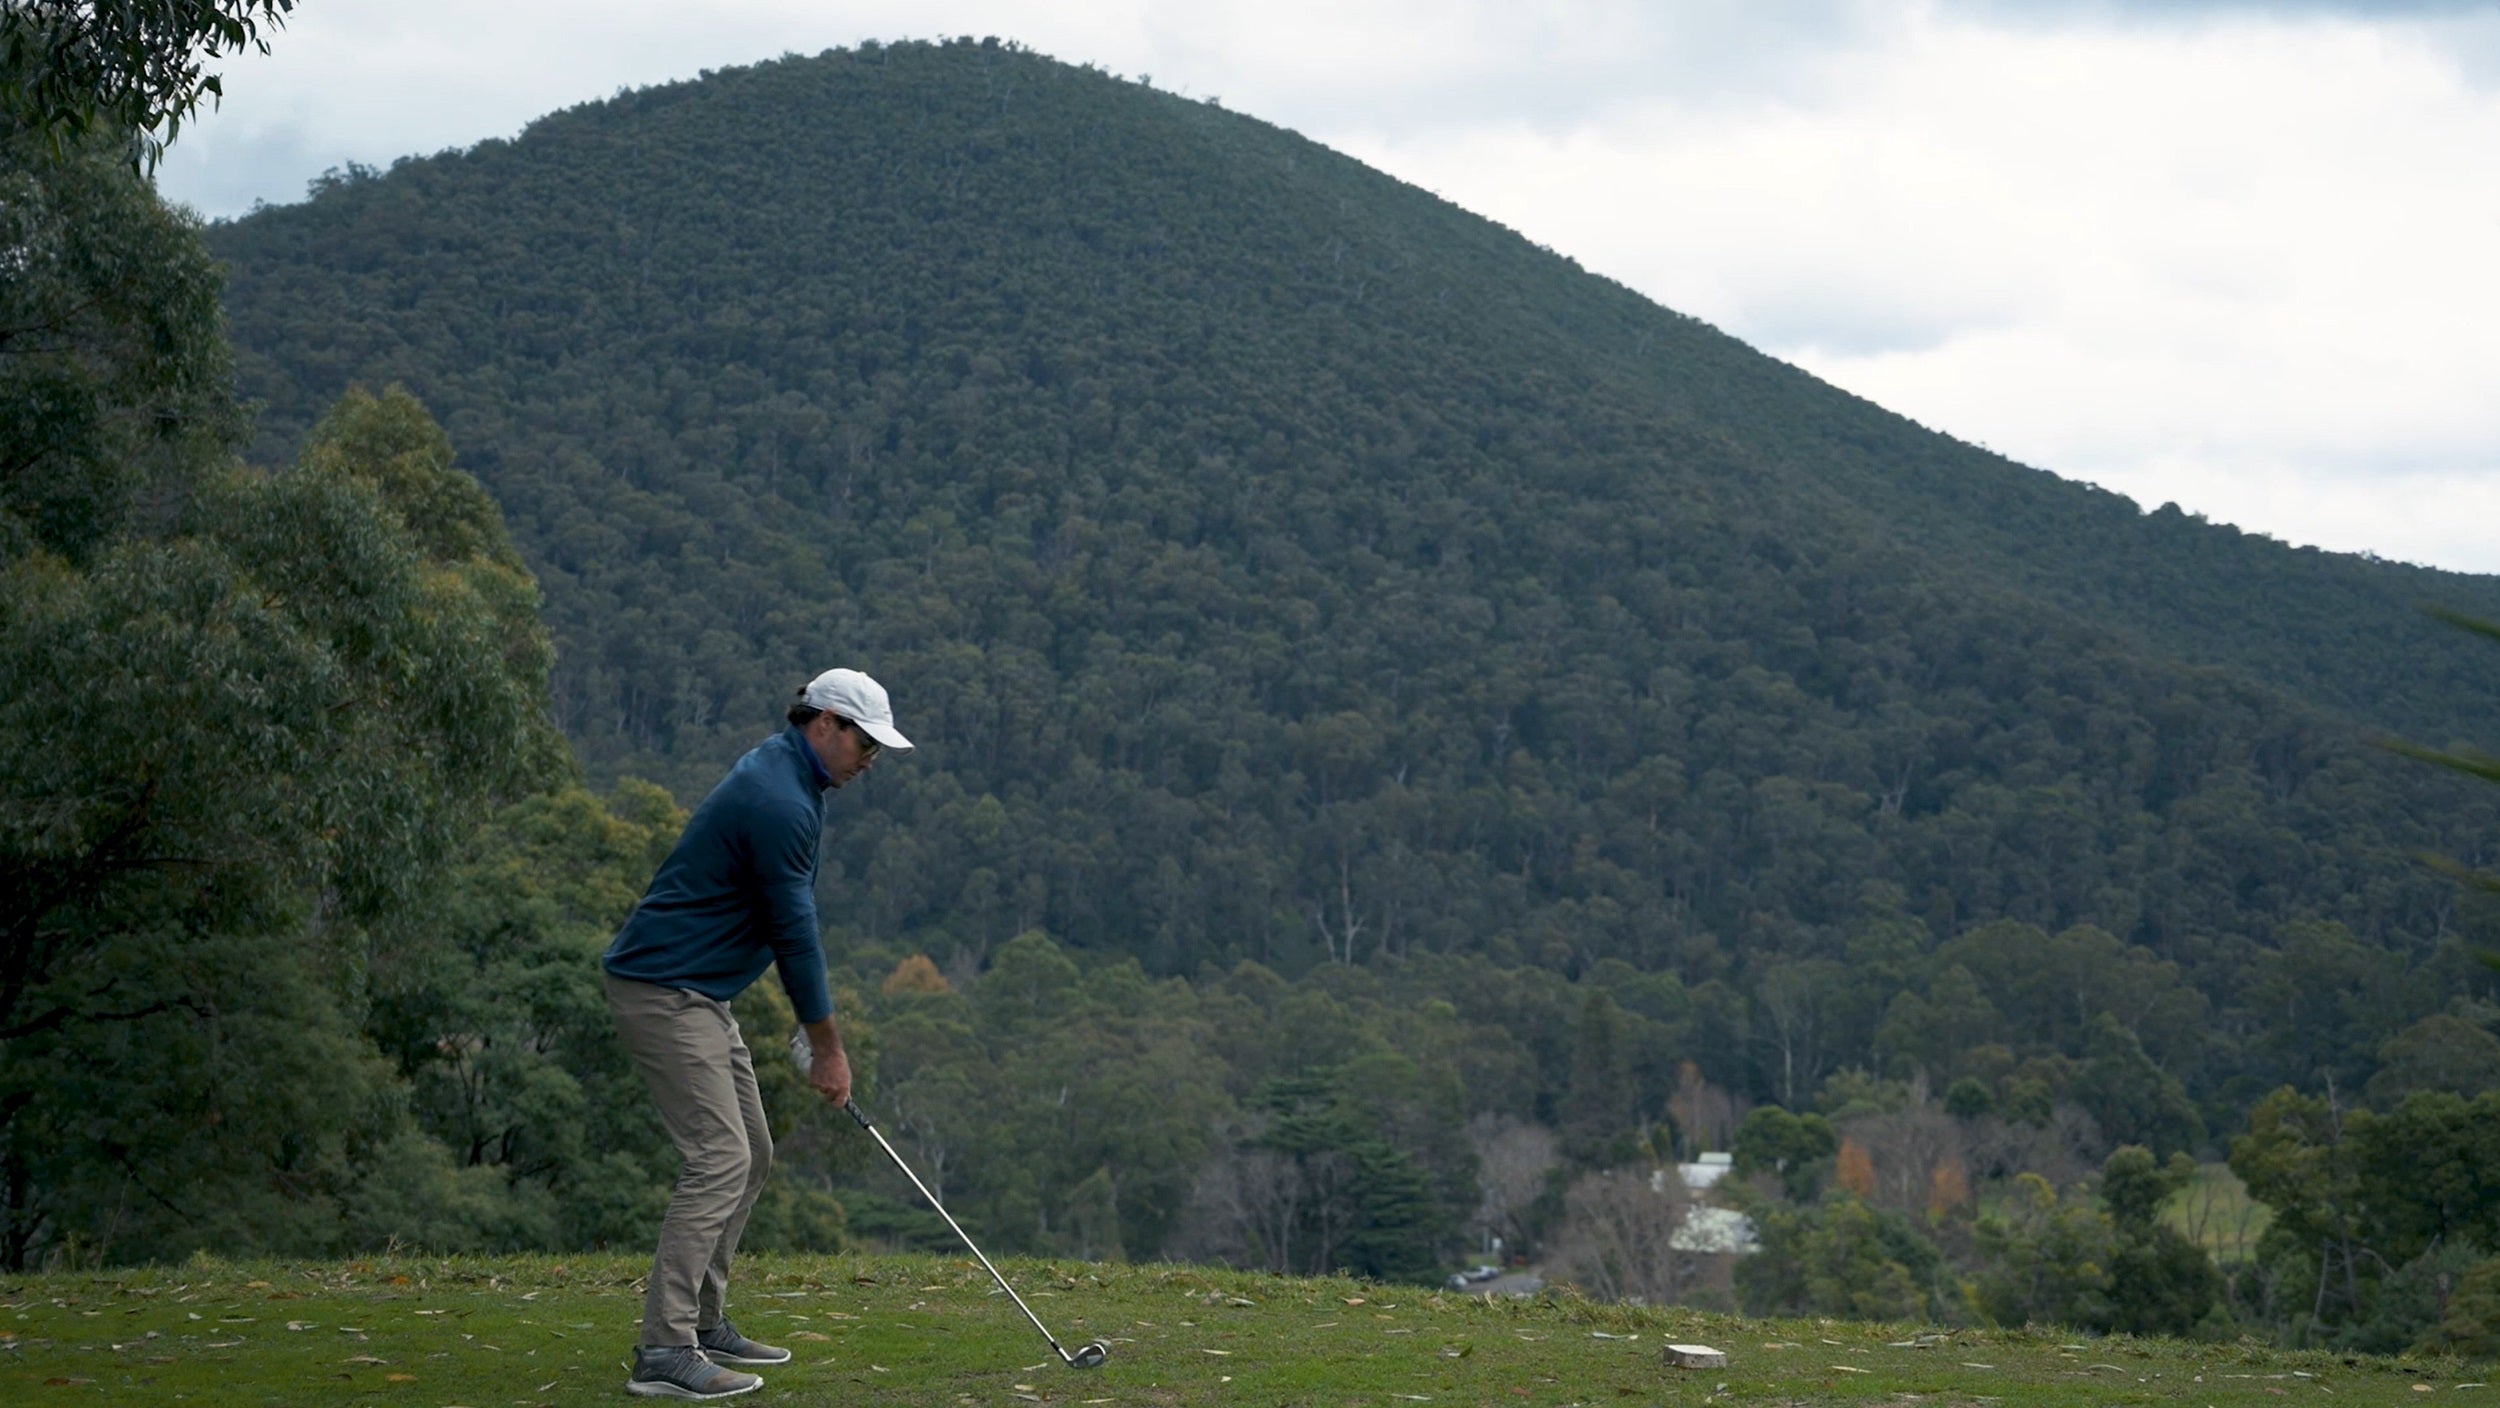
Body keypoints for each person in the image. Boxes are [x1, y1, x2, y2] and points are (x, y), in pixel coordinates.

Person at [601, 667, 911, 1399]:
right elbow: (794, 934)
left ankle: (704, 1324)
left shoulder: (794, 780)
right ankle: (664, 1349)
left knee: (753, 1152)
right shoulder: (781, 799)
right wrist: (828, 1046)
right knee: (717, 1157)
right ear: (824, 724)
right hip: (663, 991)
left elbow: (783, 924)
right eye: (863, 743)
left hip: (701, 991)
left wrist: (815, 1033)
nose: (870, 760)